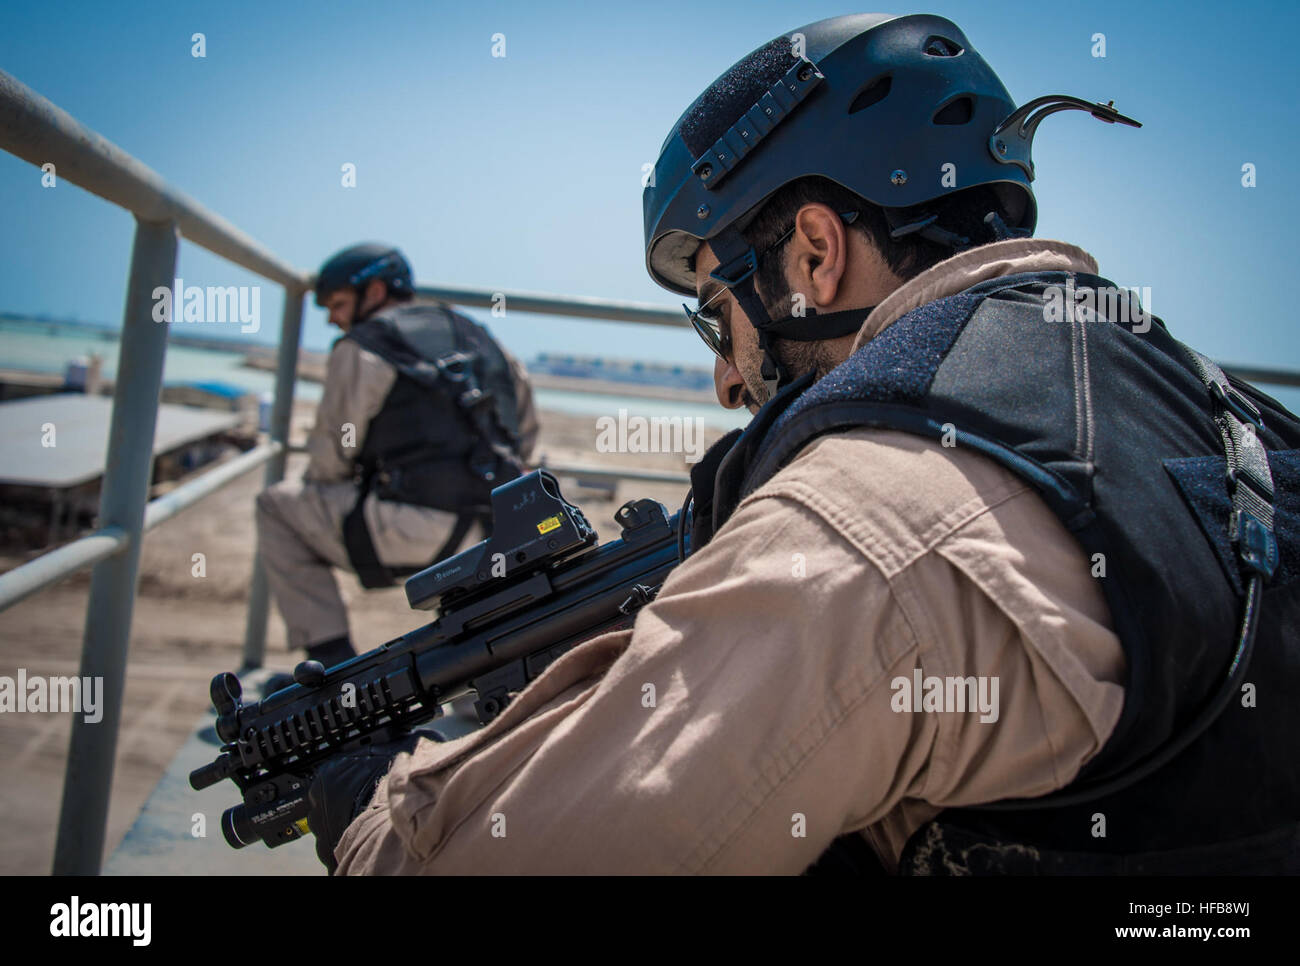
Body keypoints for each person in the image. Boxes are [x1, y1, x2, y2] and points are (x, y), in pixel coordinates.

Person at [307, 15, 1300, 875]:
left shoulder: (867, 526)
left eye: (714, 314)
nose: (727, 379)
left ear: (814, 256)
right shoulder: (1204, 397)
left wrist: (371, 807)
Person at [255, 243, 539, 673]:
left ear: (373, 292)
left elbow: (329, 462)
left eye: (337, 304)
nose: (332, 317)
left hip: (418, 534)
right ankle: (477, 675)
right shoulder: (482, 336)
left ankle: (332, 669)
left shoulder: (361, 347)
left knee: (276, 506)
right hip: (505, 532)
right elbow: (528, 438)